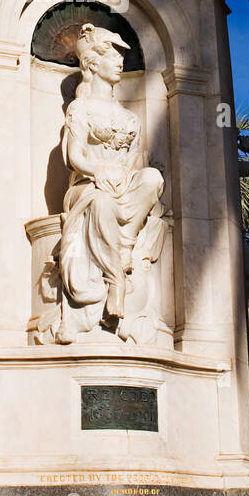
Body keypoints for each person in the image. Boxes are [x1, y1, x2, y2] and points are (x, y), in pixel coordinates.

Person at [58, 24, 164, 341]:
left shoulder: (129, 117)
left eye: (120, 56)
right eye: (112, 54)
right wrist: (97, 172)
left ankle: (125, 246)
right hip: (87, 188)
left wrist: (124, 178)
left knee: (153, 178)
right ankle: (115, 275)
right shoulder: (80, 108)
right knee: (102, 202)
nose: (119, 61)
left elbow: (135, 162)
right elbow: (73, 156)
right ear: (92, 63)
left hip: (123, 186)